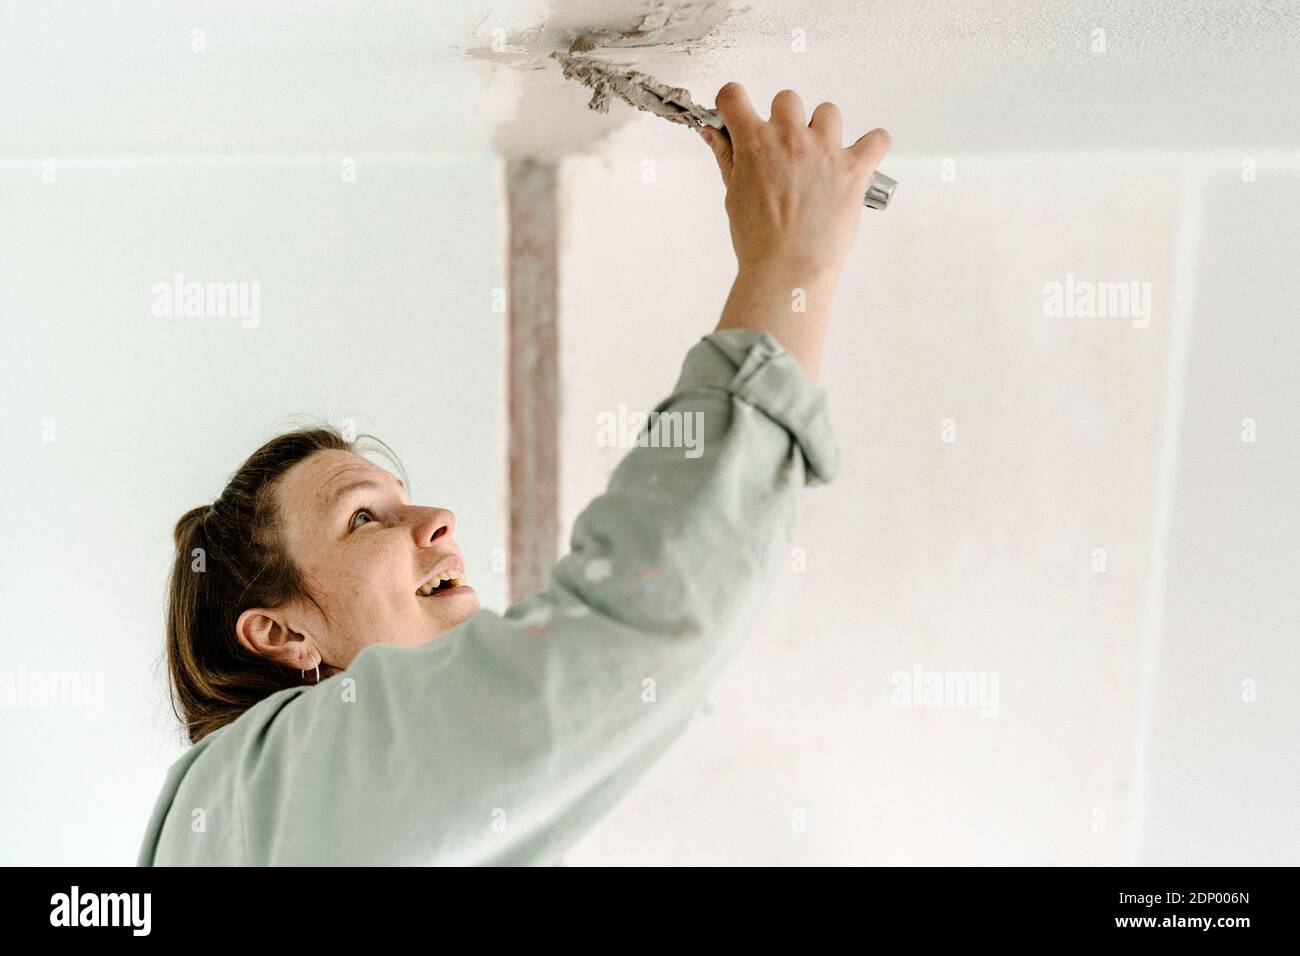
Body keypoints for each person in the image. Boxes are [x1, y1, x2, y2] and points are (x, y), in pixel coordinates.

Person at [137, 82, 892, 865]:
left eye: (397, 501)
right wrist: (790, 263)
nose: (436, 521)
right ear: (281, 632)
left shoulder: (265, 812)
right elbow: (630, 622)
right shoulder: (273, 784)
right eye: (363, 516)